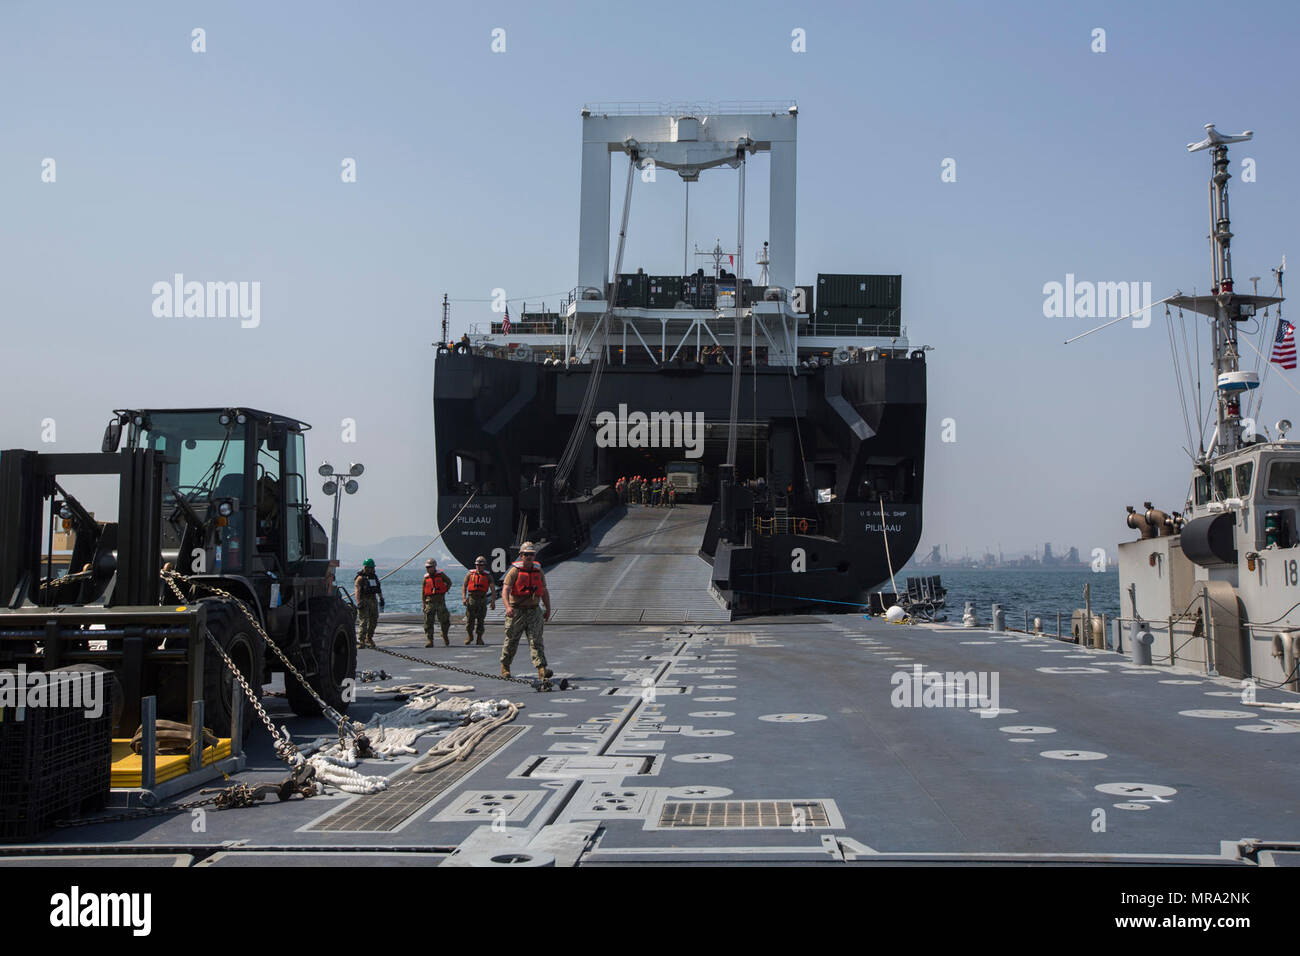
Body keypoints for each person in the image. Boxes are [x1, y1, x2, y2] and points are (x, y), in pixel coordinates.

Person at [500, 541, 552, 680]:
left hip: (534, 610)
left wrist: (548, 608)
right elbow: (505, 591)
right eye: (526, 554)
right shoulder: (514, 571)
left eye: (531, 554)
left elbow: (544, 591)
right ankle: (505, 666)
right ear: (521, 556)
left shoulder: (538, 571)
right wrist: (507, 607)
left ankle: (541, 668)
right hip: (517, 611)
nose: (529, 557)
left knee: (536, 640)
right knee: (512, 640)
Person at [462, 555, 496, 645]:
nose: (479, 567)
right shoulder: (469, 574)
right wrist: (464, 598)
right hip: (471, 599)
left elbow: (493, 589)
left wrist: (493, 601)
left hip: (482, 600)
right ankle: (470, 636)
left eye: (481, 565)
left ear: (484, 566)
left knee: (481, 620)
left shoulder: (488, 576)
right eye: (477, 565)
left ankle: (479, 638)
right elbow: (464, 586)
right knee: (470, 620)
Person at [422, 558, 453, 647]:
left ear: (434, 567)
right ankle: (430, 640)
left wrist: (444, 590)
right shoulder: (425, 578)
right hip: (430, 602)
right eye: (427, 567)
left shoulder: (441, 575)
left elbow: (449, 582)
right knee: (428, 622)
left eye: (430, 567)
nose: (428, 569)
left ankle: (444, 634)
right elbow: (423, 592)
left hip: (440, 602)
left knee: (445, 620)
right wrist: (424, 604)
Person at [354, 558, 384, 649]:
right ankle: (361, 640)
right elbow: (357, 590)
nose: (372, 569)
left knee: (374, 620)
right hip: (364, 600)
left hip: (373, 600)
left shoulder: (374, 577)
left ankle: (369, 638)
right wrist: (358, 602)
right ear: (366, 567)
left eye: (373, 567)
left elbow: (378, 588)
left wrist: (381, 598)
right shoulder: (360, 578)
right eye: (370, 568)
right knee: (364, 621)